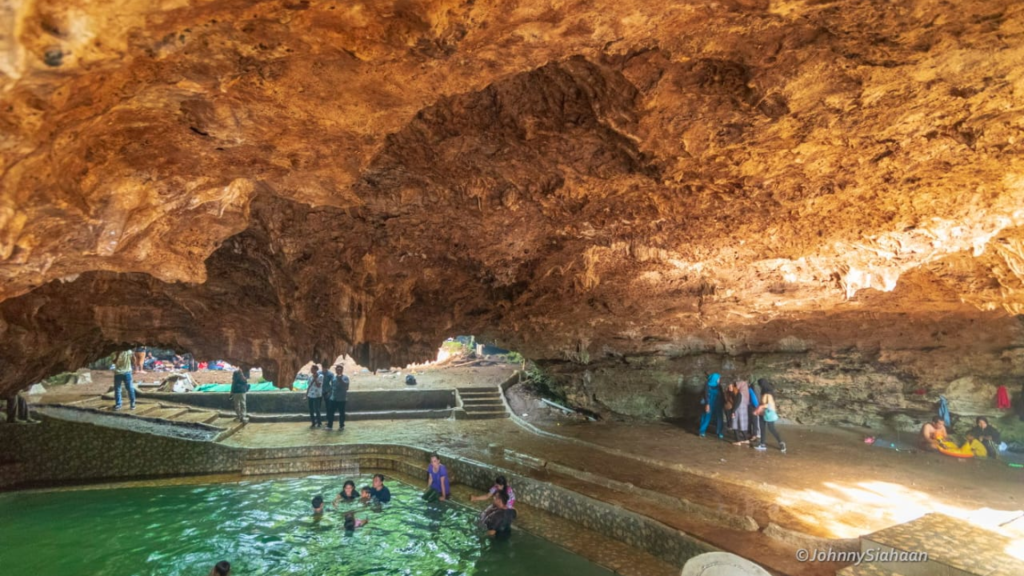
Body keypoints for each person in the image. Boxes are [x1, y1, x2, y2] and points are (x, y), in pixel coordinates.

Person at [753, 379, 785, 452]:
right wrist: (758, 409)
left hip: (768, 414)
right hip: (762, 413)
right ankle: (762, 444)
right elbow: (761, 402)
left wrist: (760, 407)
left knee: (772, 429)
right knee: (762, 428)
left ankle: (781, 443)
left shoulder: (768, 394)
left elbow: (769, 405)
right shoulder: (764, 393)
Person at [698, 373, 725, 438]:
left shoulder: (719, 386)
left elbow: (722, 395)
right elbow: (705, 395)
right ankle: (702, 432)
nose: (719, 380)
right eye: (718, 379)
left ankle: (719, 432)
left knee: (719, 418)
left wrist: (724, 403)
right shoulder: (707, 385)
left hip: (718, 403)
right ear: (714, 379)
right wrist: (707, 404)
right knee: (706, 417)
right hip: (709, 403)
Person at [326, 364, 350, 431]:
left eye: (340, 369)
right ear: (335, 370)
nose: (338, 370)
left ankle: (341, 425)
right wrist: (329, 393)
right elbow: (332, 386)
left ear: (342, 370)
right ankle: (329, 425)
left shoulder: (345, 378)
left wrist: (340, 380)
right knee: (331, 412)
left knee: (341, 413)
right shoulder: (333, 377)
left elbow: (346, 387)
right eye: (337, 369)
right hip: (333, 398)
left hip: (341, 399)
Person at [730, 380, 752, 445]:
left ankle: (738, 440)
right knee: (743, 425)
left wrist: (733, 411)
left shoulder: (740, 393)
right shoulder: (746, 393)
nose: (736, 387)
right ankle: (746, 439)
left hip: (738, 410)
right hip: (744, 411)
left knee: (735, 425)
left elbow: (737, 403)